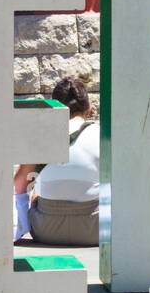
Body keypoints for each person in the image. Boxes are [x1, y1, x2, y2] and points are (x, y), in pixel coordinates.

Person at [13, 76, 105, 246]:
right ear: (88, 107)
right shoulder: (101, 134)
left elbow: (19, 184)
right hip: (96, 230)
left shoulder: (41, 136)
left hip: (45, 230)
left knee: (36, 193)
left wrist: (23, 222)